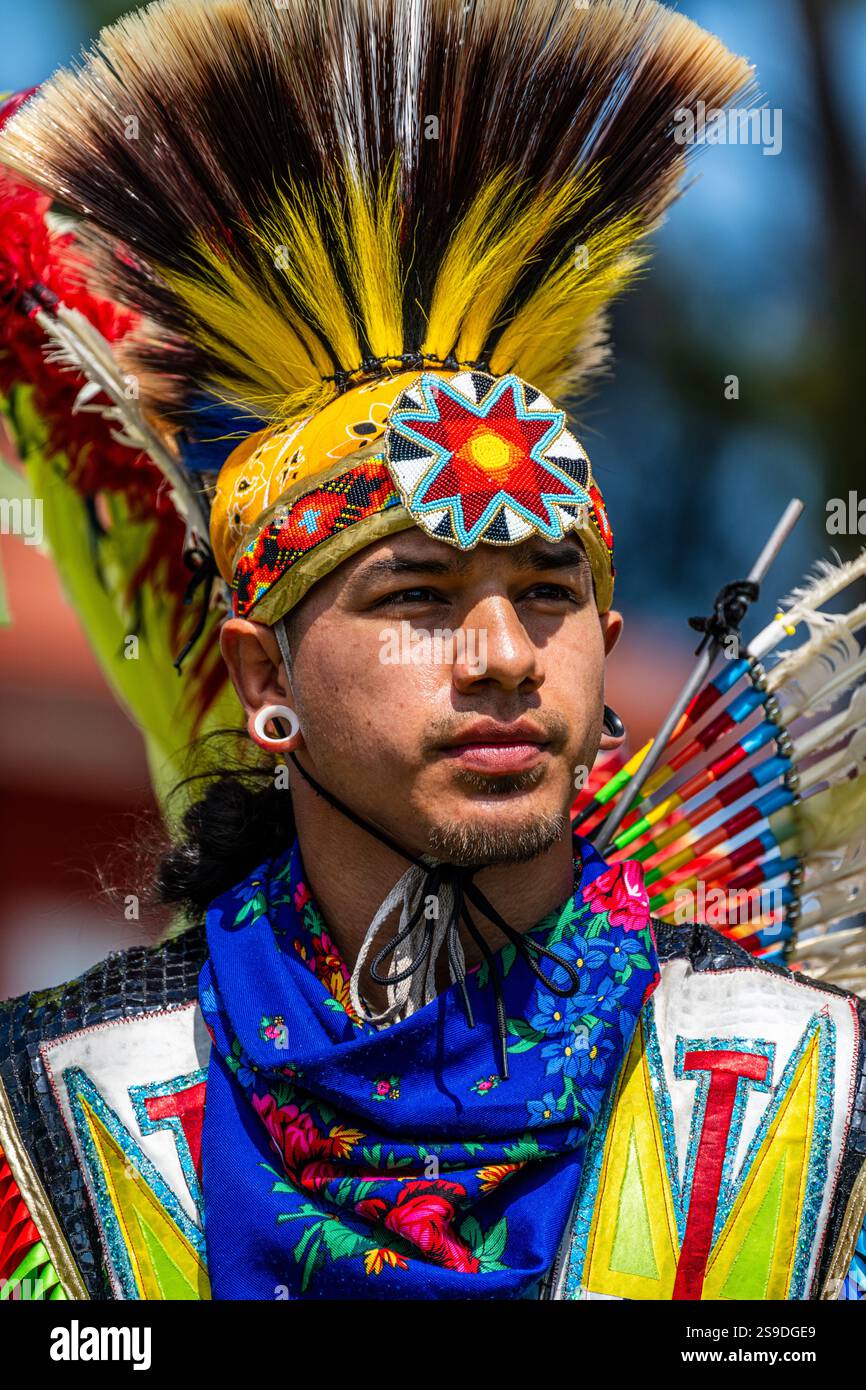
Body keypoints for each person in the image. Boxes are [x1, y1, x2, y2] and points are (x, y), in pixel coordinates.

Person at [0, 0, 864, 1302]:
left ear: (609, 642)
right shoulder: (64, 1125)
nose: (504, 653)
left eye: (548, 592)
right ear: (261, 677)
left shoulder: (806, 1097)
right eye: (416, 596)